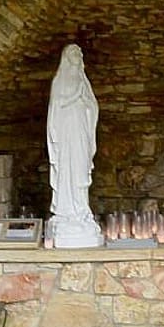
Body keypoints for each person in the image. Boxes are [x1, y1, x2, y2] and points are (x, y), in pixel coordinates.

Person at [47, 44, 99, 229]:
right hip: (67, 134)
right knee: (68, 169)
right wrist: (75, 97)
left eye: (79, 52)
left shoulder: (84, 81)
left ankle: (82, 209)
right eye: (73, 52)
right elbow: (55, 107)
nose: (77, 55)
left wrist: (86, 103)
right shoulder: (60, 81)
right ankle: (66, 211)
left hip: (81, 131)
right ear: (66, 57)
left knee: (81, 168)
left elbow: (93, 106)